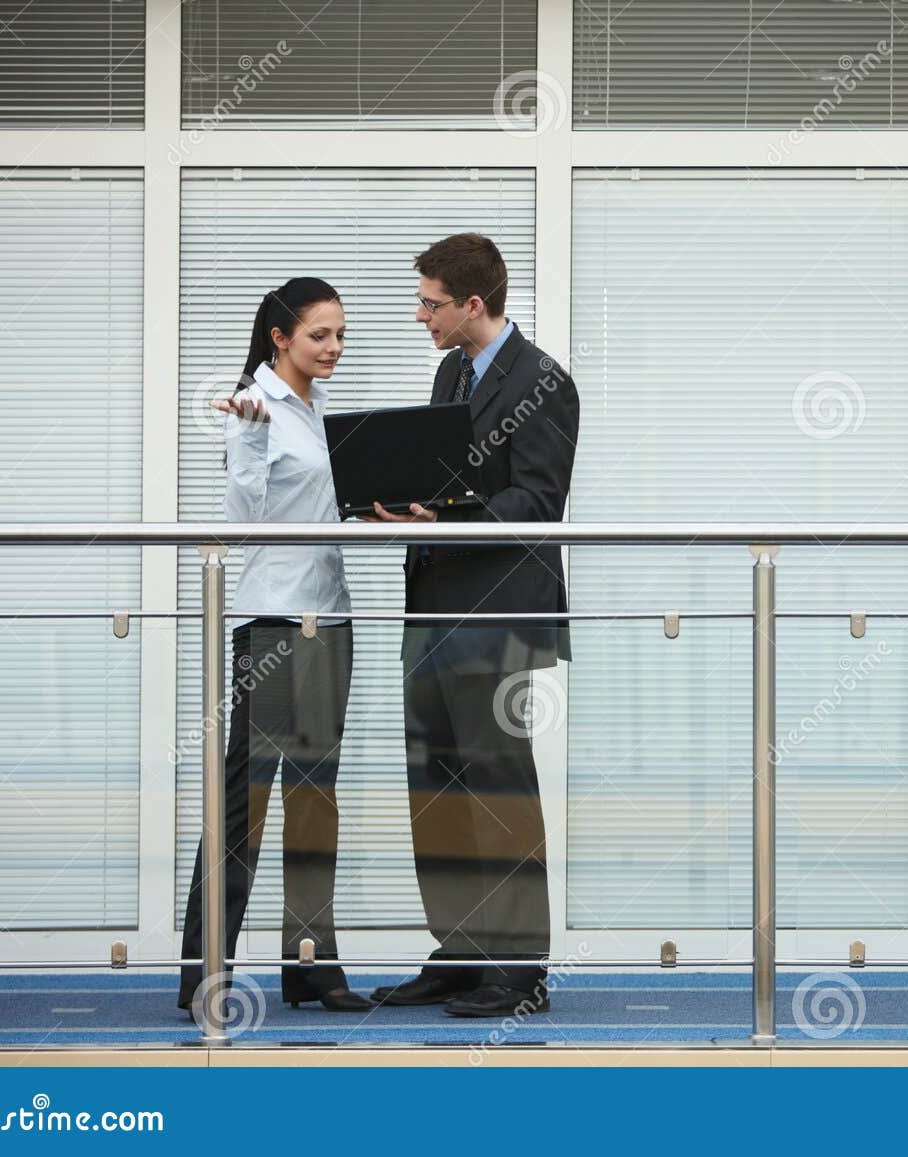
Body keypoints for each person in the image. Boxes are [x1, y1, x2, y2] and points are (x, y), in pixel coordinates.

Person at [367, 233, 578, 1019]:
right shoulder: (450, 371)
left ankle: (520, 971)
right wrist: (401, 500)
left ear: (474, 305)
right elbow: (442, 474)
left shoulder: (543, 380)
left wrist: (445, 517)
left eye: (431, 303)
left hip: (499, 609)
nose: (421, 315)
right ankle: (460, 951)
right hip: (433, 605)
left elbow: (537, 501)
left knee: (497, 783)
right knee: (437, 781)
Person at [178, 277, 372, 1014]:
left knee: (316, 801)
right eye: (321, 335)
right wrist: (252, 436)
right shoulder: (253, 408)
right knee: (245, 804)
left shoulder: (319, 411)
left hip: (330, 619)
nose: (334, 348)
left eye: (341, 335)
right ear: (280, 338)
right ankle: (204, 970)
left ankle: (312, 968)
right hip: (273, 627)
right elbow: (242, 518)